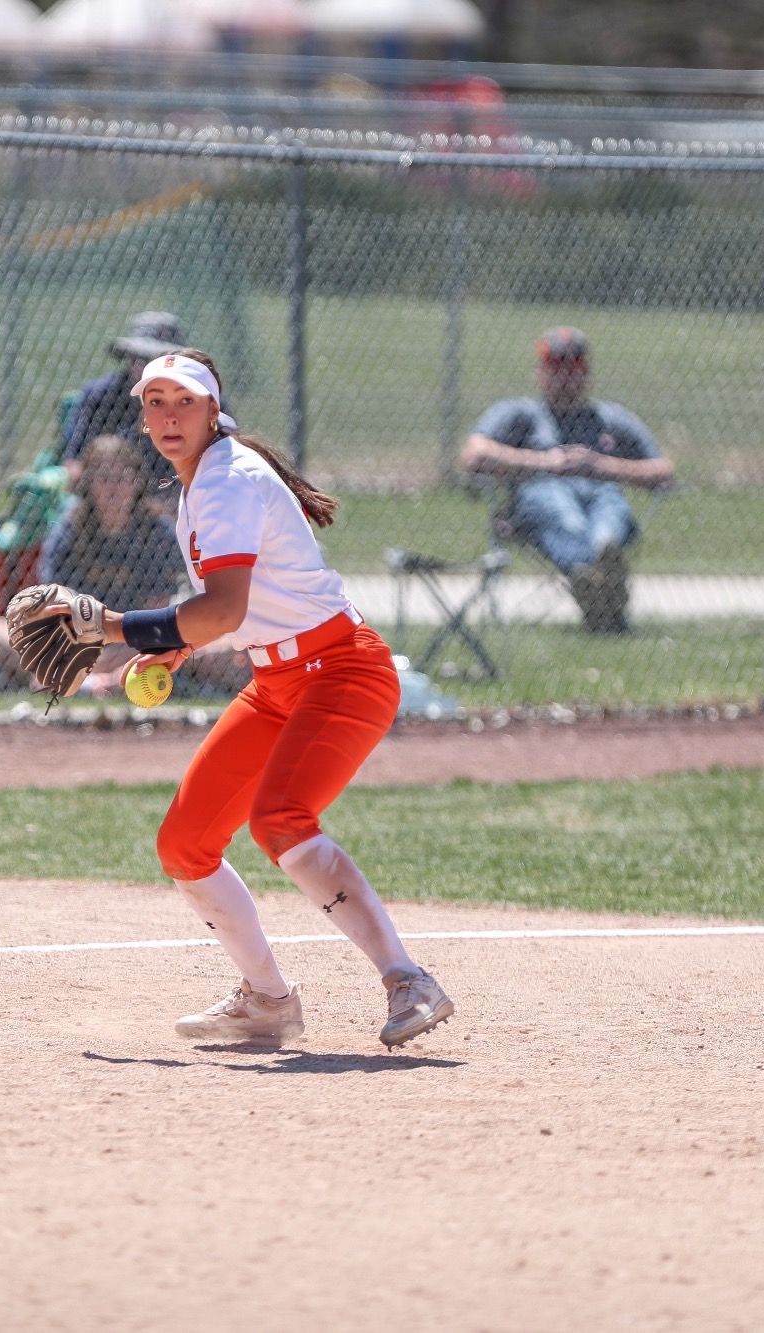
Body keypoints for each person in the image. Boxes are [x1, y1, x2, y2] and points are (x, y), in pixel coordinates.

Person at [48, 348, 455, 1049]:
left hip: (342, 671)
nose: (169, 416)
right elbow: (231, 609)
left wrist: (109, 625)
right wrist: (173, 639)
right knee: (185, 843)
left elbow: (225, 610)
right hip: (276, 683)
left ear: (213, 409)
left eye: (185, 402)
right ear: (141, 419)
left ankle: (407, 978)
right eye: (156, 403)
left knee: (281, 817)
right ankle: (267, 998)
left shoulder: (226, 480)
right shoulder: (203, 481)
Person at [0, 435, 246, 698]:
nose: (114, 489)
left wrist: (118, 649)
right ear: (89, 485)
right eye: (104, 479)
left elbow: (158, 616)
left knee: (227, 647)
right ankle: (93, 681)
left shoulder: (156, 531)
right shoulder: (69, 530)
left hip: (138, 640)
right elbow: (58, 609)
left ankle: (83, 681)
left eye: (122, 478)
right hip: (78, 642)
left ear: (137, 483)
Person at [459, 327, 675, 633]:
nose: (565, 378)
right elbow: (474, 455)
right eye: (556, 368)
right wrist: (548, 463)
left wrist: (599, 466)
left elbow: (663, 471)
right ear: (540, 373)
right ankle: (602, 584)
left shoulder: (610, 418)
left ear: (587, 374)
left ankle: (597, 573)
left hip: (601, 493)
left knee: (609, 518)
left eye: (574, 368)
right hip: (541, 496)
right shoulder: (520, 414)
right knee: (561, 511)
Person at [61, 311, 187, 492]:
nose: (139, 366)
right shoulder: (101, 396)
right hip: (113, 501)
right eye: (135, 356)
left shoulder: (199, 399)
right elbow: (74, 464)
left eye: (151, 359)